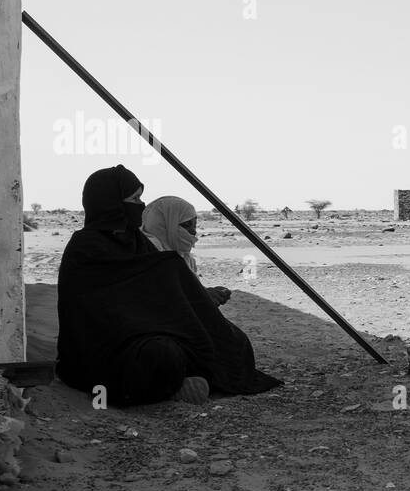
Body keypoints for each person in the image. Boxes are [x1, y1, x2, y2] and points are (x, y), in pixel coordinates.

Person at [56, 165, 281, 406]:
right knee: (161, 355)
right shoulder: (86, 247)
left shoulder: (136, 241)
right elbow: (96, 313)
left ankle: (177, 383)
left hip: (147, 328)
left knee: (232, 340)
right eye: (135, 199)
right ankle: (172, 385)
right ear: (111, 203)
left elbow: (154, 291)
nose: (142, 206)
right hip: (107, 344)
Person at [141, 195, 231, 305]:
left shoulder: (184, 256)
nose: (193, 232)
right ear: (165, 225)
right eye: (186, 225)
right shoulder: (147, 256)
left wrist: (207, 293)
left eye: (194, 225)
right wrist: (201, 296)